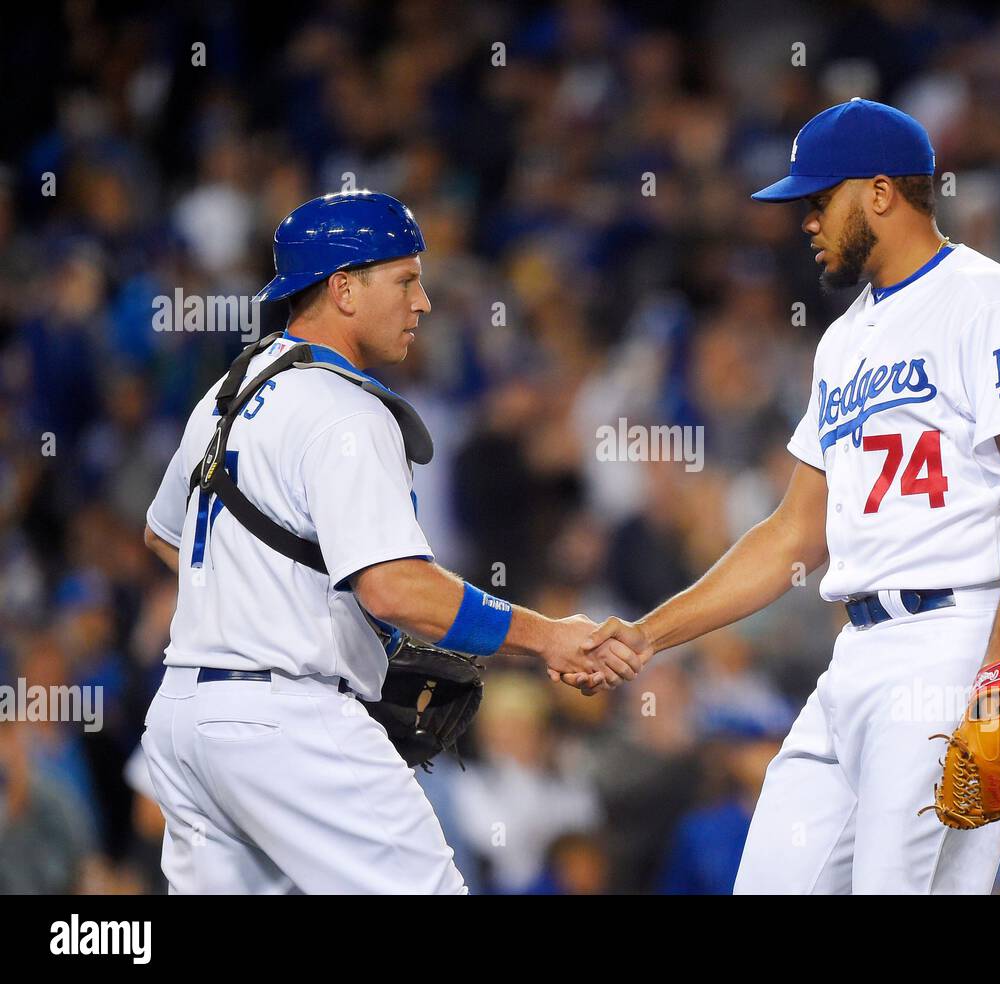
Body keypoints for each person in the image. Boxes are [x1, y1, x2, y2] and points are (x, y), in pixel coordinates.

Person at [576, 100, 1000, 893]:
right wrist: (646, 636)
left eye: (820, 200)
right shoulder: (843, 341)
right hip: (861, 650)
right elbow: (792, 537)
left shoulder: (991, 302)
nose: (806, 220)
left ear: (881, 191)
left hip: (966, 629)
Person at [139, 190, 637, 894]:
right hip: (290, 721)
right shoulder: (346, 409)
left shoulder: (225, 396)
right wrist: (548, 637)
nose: (424, 302)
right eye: (405, 279)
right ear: (343, 288)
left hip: (187, 722)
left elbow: (166, 537)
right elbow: (395, 588)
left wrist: (270, 612)